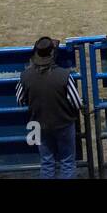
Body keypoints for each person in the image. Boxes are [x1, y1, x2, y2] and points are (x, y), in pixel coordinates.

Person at [15, 37, 82, 179]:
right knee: (67, 161)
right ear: (53, 53)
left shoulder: (25, 76)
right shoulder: (64, 75)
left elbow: (20, 100)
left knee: (46, 162)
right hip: (63, 123)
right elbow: (76, 102)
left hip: (38, 124)